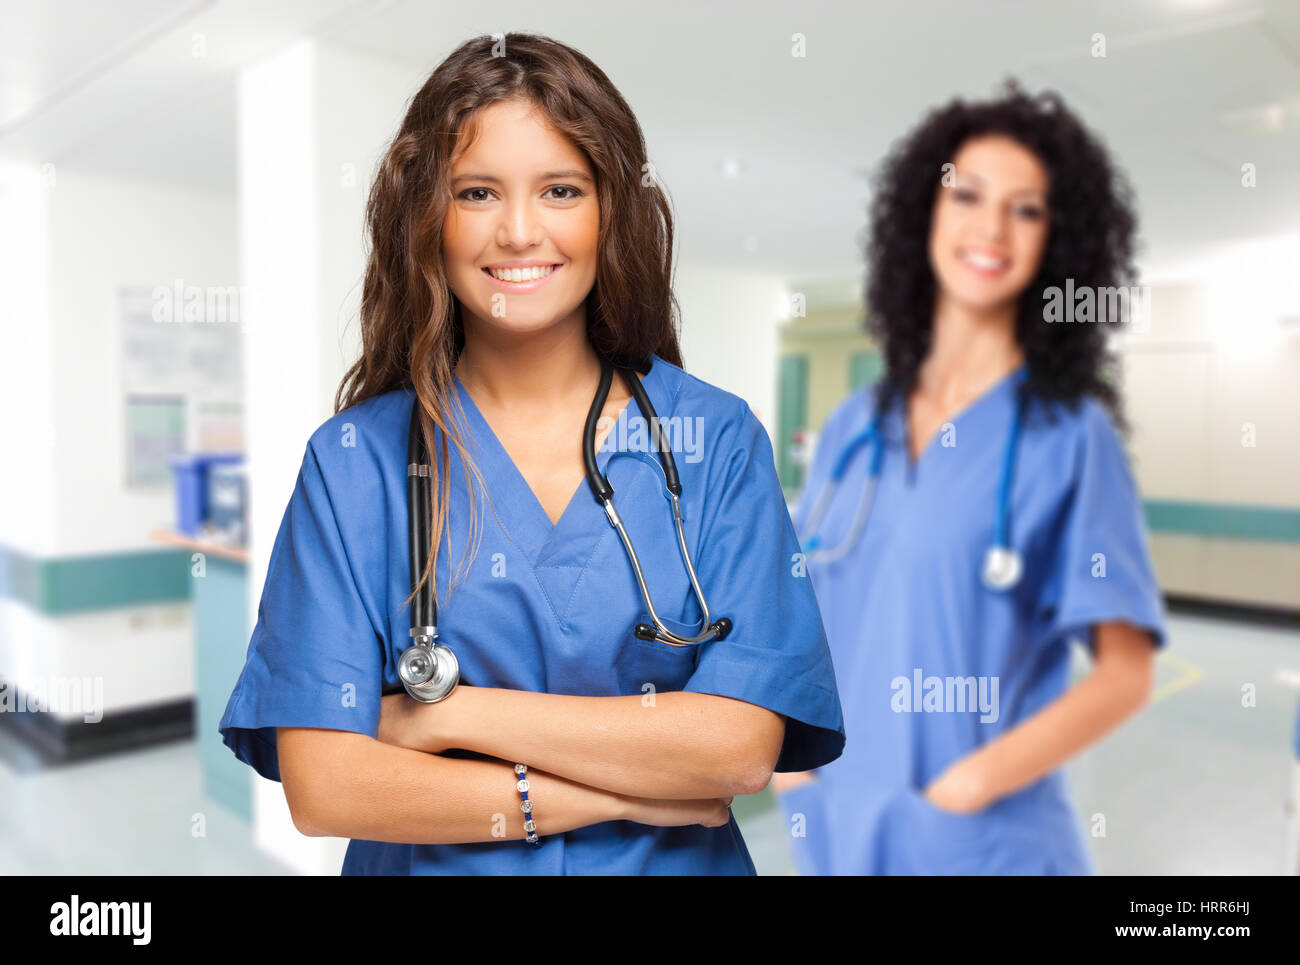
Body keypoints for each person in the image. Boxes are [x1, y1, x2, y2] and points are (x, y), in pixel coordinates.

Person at [218, 32, 844, 876]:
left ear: (608, 210)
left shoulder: (715, 440)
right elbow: (326, 785)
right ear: (427, 219)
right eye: (477, 192)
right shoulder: (354, 463)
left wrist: (447, 716)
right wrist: (625, 789)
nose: (519, 231)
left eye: (560, 189)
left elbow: (735, 749)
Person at [772, 83, 1166, 875]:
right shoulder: (854, 427)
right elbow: (803, 608)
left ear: (1058, 241)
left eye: (1027, 208)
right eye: (969, 195)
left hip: (980, 839)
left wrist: (970, 785)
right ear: (925, 212)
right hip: (840, 823)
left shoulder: (1068, 436)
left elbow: (1125, 672)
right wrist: (789, 762)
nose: (992, 226)